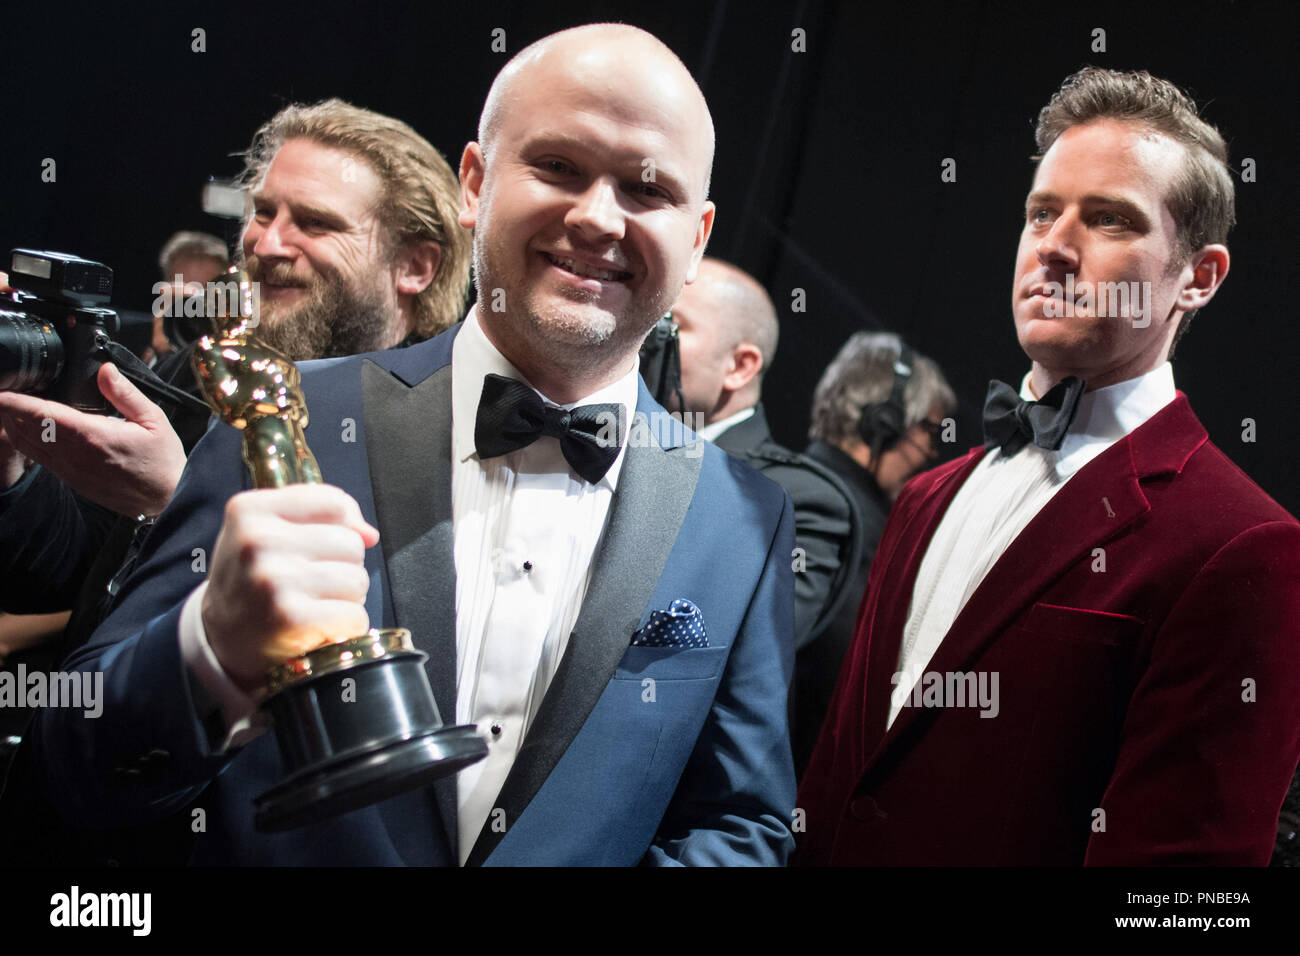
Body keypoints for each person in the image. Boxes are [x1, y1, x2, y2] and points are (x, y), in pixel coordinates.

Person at [33, 23, 796, 866]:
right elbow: (76, 764)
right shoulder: (285, 420)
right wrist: (209, 646)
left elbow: (740, 824)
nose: (597, 217)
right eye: (558, 168)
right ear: (475, 184)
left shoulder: (744, 518)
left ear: (697, 237)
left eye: (648, 190)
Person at [796, 67, 1300, 865]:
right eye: (1041, 214)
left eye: (1108, 220)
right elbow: (838, 783)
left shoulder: (1245, 545)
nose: (1055, 249)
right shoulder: (928, 494)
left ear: (1198, 278)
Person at [0, 98, 471, 864]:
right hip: (90, 824)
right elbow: (62, 573)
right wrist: (13, 466)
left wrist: (181, 500)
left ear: (415, 265)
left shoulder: (452, 429)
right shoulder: (199, 375)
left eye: (313, 223)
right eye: (262, 212)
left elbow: (393, 676)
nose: (266, 242)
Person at [672, 257, 859, 650]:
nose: (649, 337)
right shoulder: (597, 439)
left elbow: (751, 649)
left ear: (739, 366)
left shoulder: (798, 500)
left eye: (673, 325)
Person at [796, 332, 954, 773]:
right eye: (928, 429)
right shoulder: (858, 522)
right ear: (884, 421)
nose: (932, 451)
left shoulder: (781, 480)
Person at [147, 231, 231, 363]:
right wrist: (163, 357)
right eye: (185, 296)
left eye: (206, 294)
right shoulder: (133, 347)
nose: (194, 310)